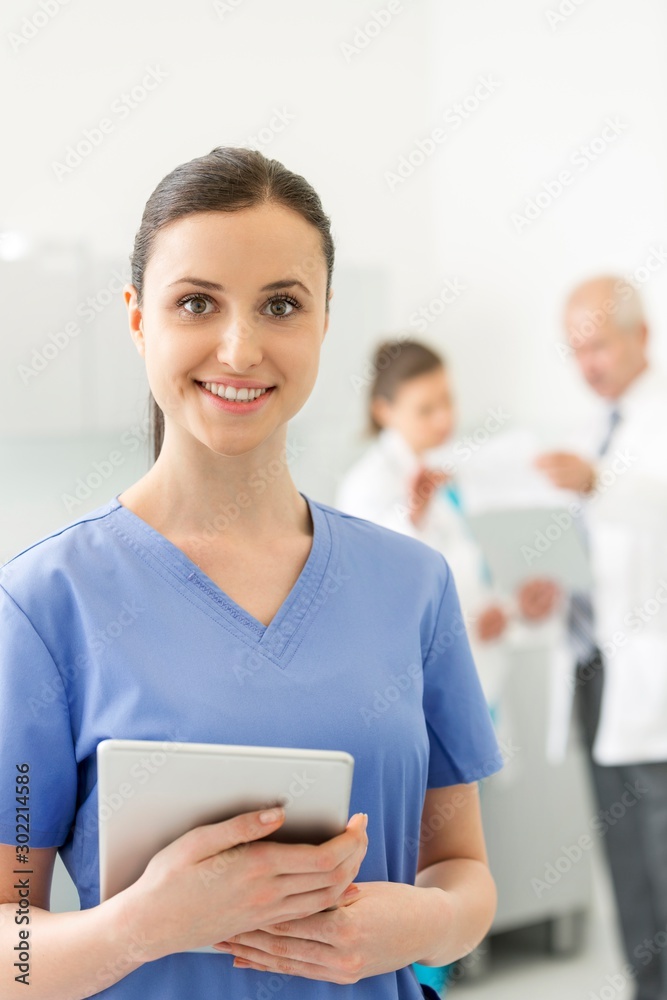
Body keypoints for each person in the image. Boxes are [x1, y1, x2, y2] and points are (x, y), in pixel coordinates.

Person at [0, 146, 503, 1000]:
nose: (239, 349)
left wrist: (417, 926)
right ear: (136, 318)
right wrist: (142, 926)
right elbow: (9, 952)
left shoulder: (412, 586)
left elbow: (463, 873)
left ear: (323, 321)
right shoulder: (46, 605)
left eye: (280, 304)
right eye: (197, 302)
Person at [534, 275, 667, 1000]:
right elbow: (596, 557)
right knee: (622, 855)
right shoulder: (592, 430)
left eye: (597, 344)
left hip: (651, 673)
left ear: (640, 336)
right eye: (574, 349)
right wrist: (550, 587)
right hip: (592, 665)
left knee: (660, 843)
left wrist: (600, 483)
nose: (585, 363)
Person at [335, 339, 555, 709]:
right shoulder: (366, 486)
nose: (444, 419)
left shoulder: (452, 471)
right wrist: (414, 516)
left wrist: (508, 611)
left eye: (448, 401)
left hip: (480, 674)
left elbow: (474, 571)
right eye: (426, 409)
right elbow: (375, 590)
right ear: (383, 410)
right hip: (414, 692)